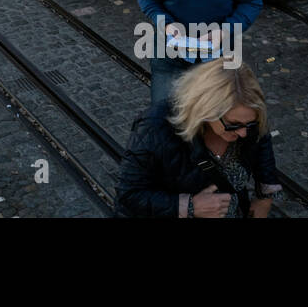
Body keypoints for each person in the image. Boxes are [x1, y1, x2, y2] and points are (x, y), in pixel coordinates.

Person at [116, 59, 282, 218]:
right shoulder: (154, 128)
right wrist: (189, 206)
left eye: (250, 124)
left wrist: (264, 197)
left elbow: (262, 143)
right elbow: (129, 194)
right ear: (206, 110)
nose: (243, 133)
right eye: (233, 124)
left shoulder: (248, 122)